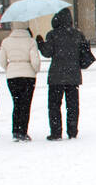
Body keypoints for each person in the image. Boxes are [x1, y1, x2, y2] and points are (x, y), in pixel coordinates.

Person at [36, 8, 92, 140]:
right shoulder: (78, 34)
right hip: (73, 76)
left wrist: (40, 42)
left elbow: (47, 53)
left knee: (54, 105)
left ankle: (56, 132)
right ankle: (72, 131)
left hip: (56, 76)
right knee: (72, 105)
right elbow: (83, 54)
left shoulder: (52, 34)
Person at [0, 21, 41, 141]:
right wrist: (35, 70)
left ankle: (15, 130)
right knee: (25, 104)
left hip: (12, 76)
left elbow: (1, 61)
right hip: (28, 76)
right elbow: (35, 61)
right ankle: (23, 131)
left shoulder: (6, 42)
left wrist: (10, 68)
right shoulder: (31, 41)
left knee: (16, 103)